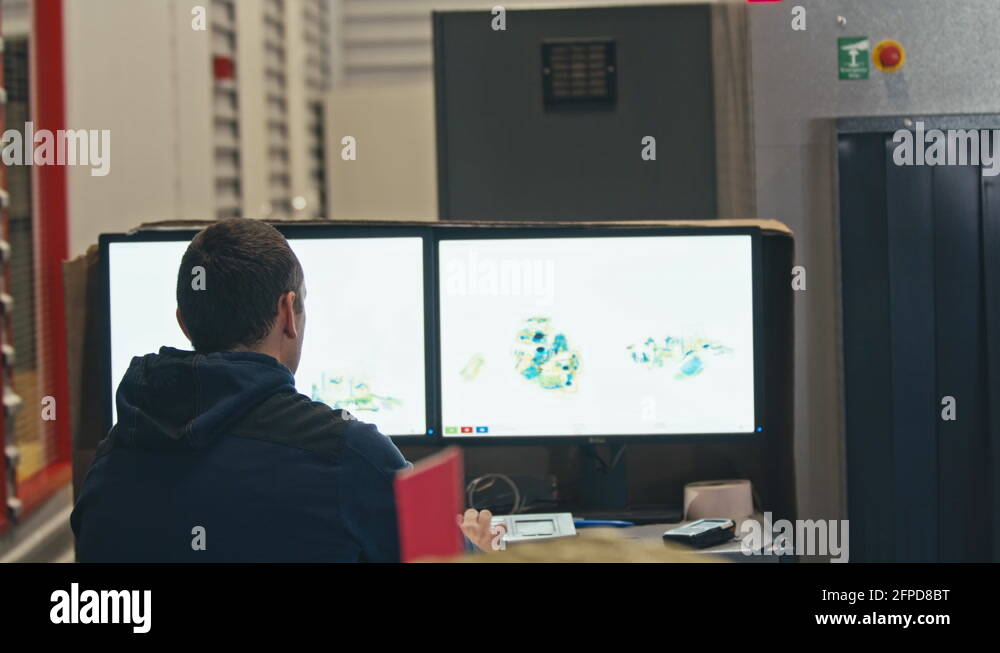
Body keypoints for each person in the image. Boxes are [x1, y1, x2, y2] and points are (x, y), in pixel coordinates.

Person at [72, 218, 493, 562]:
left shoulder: (113, 460)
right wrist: (478, 550)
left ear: (184, 323)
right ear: (288, 312)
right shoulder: (347, 454)